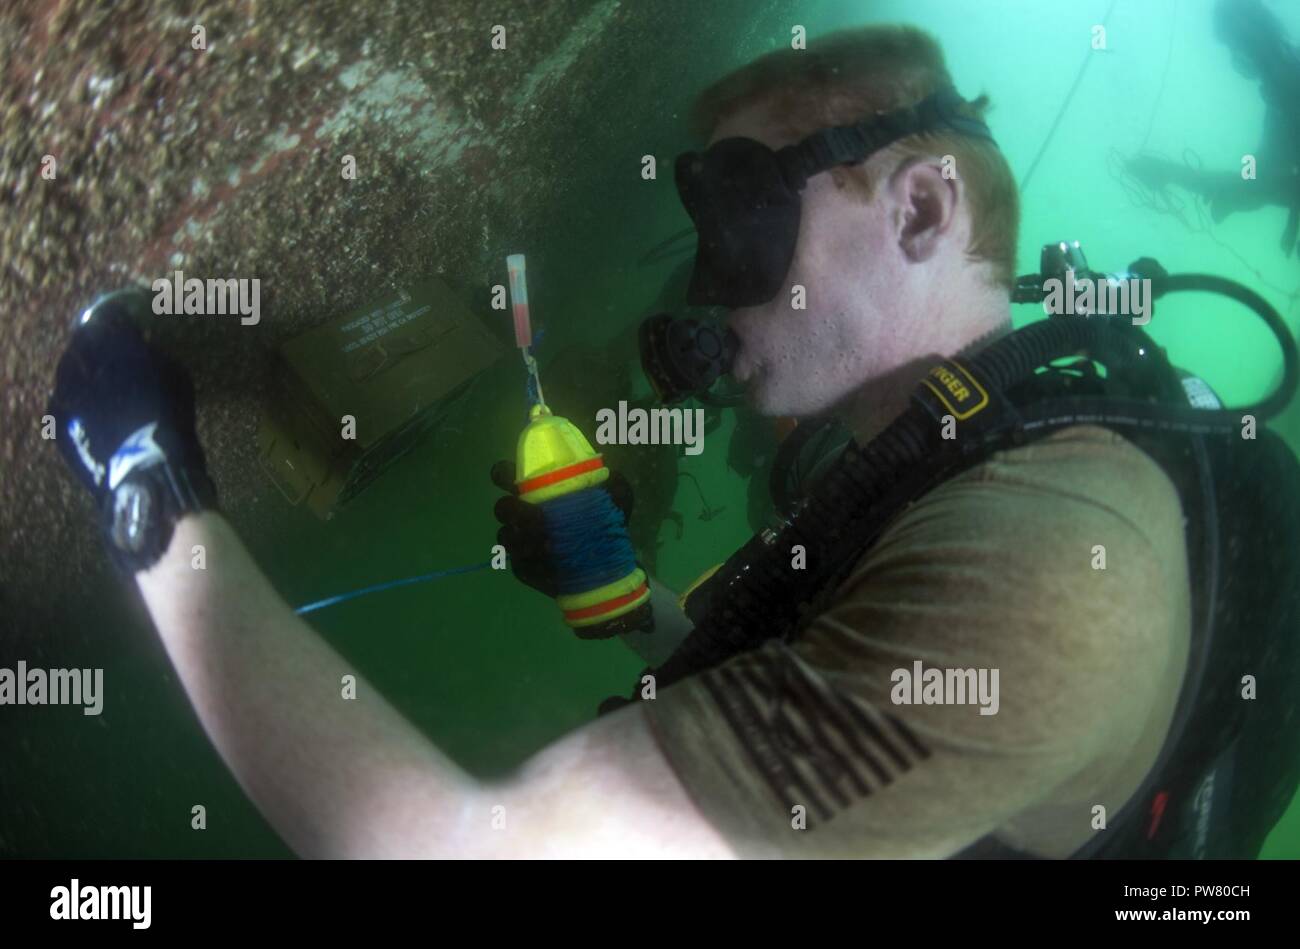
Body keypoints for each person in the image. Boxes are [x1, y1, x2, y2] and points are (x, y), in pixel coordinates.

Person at [49, 25, 1193, 858]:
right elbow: (809, 670)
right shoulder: (938, 472)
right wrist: (623, 591)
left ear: (921, 211)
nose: (704, 285)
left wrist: (149, 490)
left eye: (743, 217)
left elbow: (471, 848)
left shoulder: (1053, 576)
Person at [1125, 0, 1300, 255]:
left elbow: (1264, 184)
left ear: (1250, 38)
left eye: (1233, 46)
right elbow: (1262, 180)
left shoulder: (1288, 84)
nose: (1234, 59)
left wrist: (1175, 175)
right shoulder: (1283, 83)